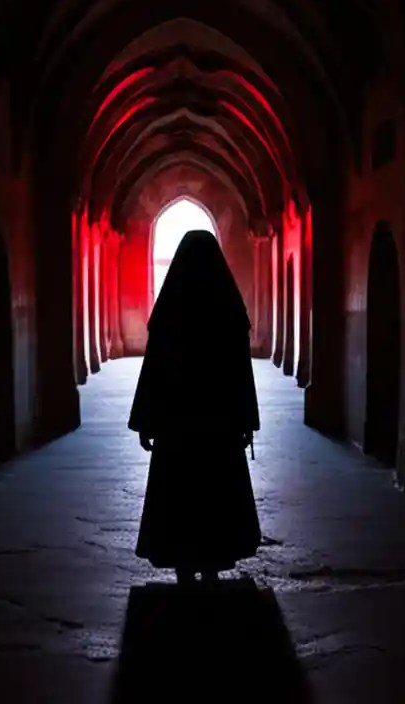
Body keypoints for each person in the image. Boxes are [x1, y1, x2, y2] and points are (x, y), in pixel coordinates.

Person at [129, 229, 261, 584]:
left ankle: (183, 562)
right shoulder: (229, 312)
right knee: (217, 492)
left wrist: (146, 420)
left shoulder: (170, 311)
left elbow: (154, 368)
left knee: (179, 493)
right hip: (219, 427)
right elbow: (241, 374)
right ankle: (213, 562)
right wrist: (247, 421)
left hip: (178, 428)